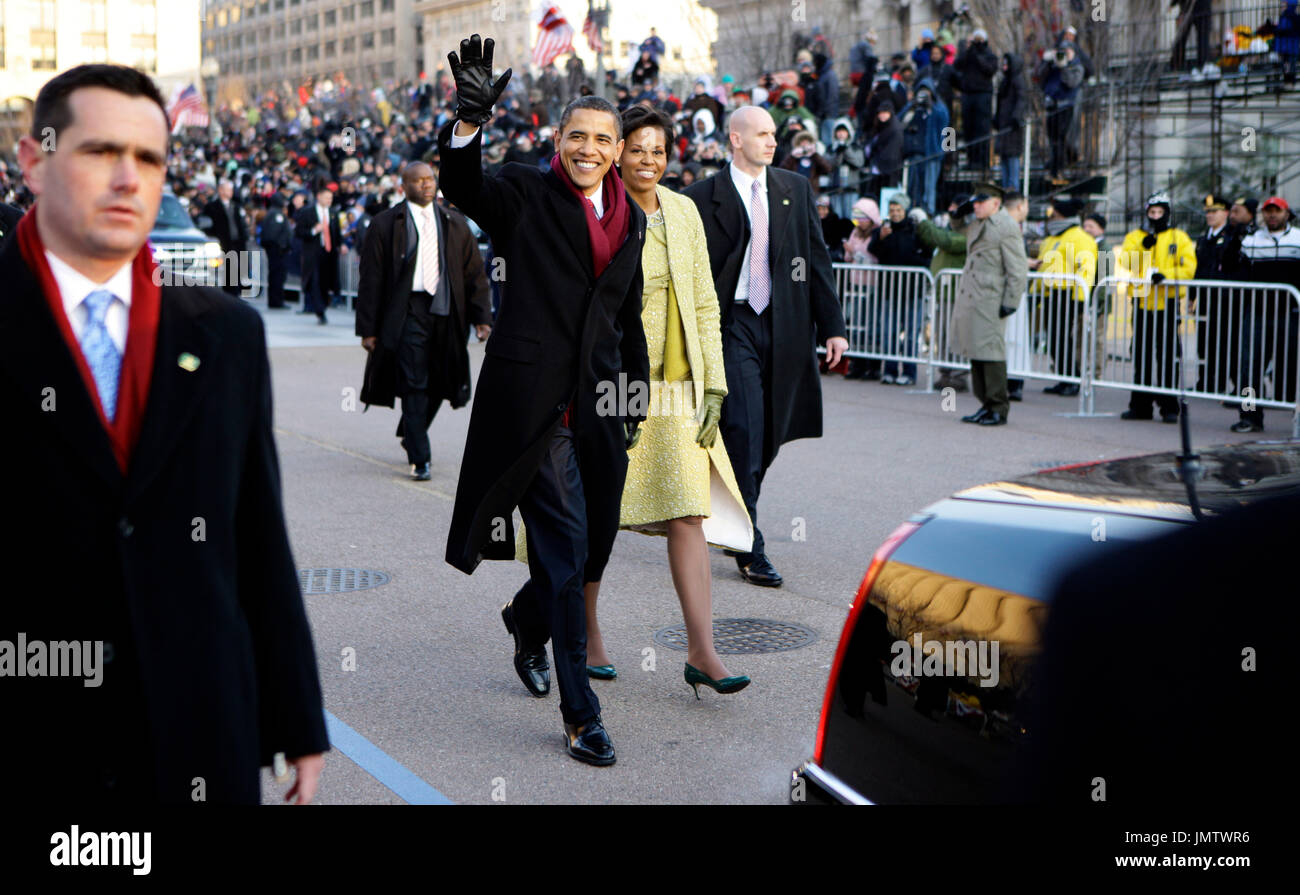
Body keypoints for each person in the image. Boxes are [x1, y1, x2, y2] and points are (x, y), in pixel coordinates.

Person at [1, 63, 327, 803]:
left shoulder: (225, 334)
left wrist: (296, 715)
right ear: (34, 160)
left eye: (148, 158)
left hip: (196, 734)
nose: (128, 178)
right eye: (99, 152)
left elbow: (257, 534)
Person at [439, 36, 649, 767]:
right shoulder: (527, 192)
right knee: (563, 557)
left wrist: (634, 401)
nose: (588, 149)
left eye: (601, 139)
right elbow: (466, 189)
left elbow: (627, 318)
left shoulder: (635, 219)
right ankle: (580, 714)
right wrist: (468, 124)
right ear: (557, 141)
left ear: (618, 150)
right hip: (534, 413)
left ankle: (525, 625)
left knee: (588, 553)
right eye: (576, 137)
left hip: (600, 413)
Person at [582, 105, 754, 696]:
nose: (648, 161)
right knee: (596, 516)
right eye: (637, 149)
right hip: (616, 381)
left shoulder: (683, 212)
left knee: (689, 512)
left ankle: (703, 652)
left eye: (658, 151)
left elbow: (706, 302)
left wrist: (715, 384)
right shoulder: (601, 209)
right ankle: (585, 632)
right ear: (616, 153)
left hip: (678, 384)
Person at [685, 106, 848, 588]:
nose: (772, 141)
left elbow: (817, 259)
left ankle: (729, 504)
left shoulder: (793, 189)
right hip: (732, 324)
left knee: (771, 432)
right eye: (762, 134)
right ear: (735, 139)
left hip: (785, 325)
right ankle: (749, 545)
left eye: (774, 134)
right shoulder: (701, 197)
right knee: (745, 428)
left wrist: (833, 327)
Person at [355, 161, 493, 480]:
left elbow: (475, 275)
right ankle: (421, 457)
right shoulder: (386, 224)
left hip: (445, 311)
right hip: (405, 312)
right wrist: (368, 329)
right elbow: (370, 279)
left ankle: (410, 428)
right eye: (417, 181)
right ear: (404, 186)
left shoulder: (455, 223)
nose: (426, 185)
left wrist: (482, 317)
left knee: (443, 380)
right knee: (414, 382)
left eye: (430, 179)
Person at [949, 183, 1028, 425]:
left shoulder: (1005, 227)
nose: (976, 206)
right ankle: (985, 403)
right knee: (976, 352)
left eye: (980, 202)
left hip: (991, 299)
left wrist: (1010, 301)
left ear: (995, 203)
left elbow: (1018, 268)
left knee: (991, 354)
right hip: (974, 296)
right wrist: (956, 215)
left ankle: (998, 407)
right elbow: (959, 231)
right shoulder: (979, 223)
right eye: (974, 202)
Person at [1115, 191, 1197, 423]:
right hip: (1142, 303)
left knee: (1167, 356)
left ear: (1167, 214)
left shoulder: (1178, 237)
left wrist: (1167, 275)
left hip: (1167, 304)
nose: (1156, 216)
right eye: (1152, 212)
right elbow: (1126, 261)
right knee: (1141, 355)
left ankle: (1169, 406)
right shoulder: (1135, 236)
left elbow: (1188, 267)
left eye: (1160, 212)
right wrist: (1143, 246)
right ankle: (1140, 406)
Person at [1234, 196, 1300, 432]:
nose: (1272, 215)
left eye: (1277, 211)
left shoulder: (1298, 239)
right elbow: (1239, 270)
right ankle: (1249, 416)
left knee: (1294, 365)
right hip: (1258, 313)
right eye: (1268, 211)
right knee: (1249, 366)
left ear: (1287, 213)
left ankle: (1295, 415)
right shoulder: (1251, 240)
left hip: (1291, 313)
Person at [1030, 197, 1098, 396]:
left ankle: (1072, 380)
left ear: (1063, 215)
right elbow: (1043, 268)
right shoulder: (1052, 238)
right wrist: (1035, 292)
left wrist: (1079, 298)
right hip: (1050, 294)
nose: (1051, 217)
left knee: (1061, 339)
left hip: (1067, 294)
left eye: (1055, 214)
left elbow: (1086, 270)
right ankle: (1064, 378)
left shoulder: (1080, 238)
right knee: (1053, 339)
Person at [869, 194, 930, 385]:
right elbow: (874, 250)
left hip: (912, 289)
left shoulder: (915, 230)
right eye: (892, 210)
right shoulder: (883, 230)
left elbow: (926, 256)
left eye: (898, 210)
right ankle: (890, 370)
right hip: (890, 289)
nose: (895, 214)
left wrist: (913, 262)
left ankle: (910, 373)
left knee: (911, 333)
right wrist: (880, 238)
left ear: (905, 211)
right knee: (889, 331)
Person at [1192, 193, 1249, 395]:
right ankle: (1207, 381)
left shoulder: (1231, 236)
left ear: (1225, 213)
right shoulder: (1203, 238)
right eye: (1207, 212)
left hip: (1226, 299)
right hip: (1206, 298)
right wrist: (1192, 296)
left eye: (1214, 211)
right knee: (1205, 342)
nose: (1210, 215)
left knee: (1228, 342)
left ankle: (1234, 384)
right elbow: (1197, 269)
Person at [917, 194, 971, 391]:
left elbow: (946, 241)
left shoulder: (969, 232)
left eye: (954, 207)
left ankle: (958, 375)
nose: (950, 210)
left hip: (958, 292)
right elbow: (936, 239)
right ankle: (946, 373)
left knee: (956, 336)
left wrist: (924, 222)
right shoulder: (953, 229)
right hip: (944, 292)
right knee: (943, 336)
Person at [294, 184, 343, 324]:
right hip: (313, 252)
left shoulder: (333, 212)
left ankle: (323, 305)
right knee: (314, 281)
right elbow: (298, 232)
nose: (329, 200)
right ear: (318, 197)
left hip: (329, 253)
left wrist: (341, 245)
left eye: (331, 198)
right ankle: (319, 310)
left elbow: (337, 232)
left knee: (325, 282)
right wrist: (314, 231)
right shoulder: (307, 212)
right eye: (327, 197)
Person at [1037, 44, 1084, 184]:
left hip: (1065, 106)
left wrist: (1064, 67)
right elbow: (1040, 79)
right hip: (1051, 105)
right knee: (1052, 139)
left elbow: (1071, 83)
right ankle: (1054, 168)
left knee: (1060, 138)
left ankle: (1059, 169)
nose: (1064, 54)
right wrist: (1047, 62)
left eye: (1067, 51)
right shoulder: (1053, 66)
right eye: (1062, 52)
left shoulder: (1076, 67)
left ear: (1073, 52)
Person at [899, 81, 948, 214]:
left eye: (927, 92)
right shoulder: (914, 107)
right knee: (913, 186)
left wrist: (946, 152)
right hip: (916, 152)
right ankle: (912, 211)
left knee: (929, 187)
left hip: (933, 154)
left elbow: (946, 124)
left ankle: (928, 213)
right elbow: (899, 120)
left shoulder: (939, 108)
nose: (924, 95)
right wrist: (912, 105)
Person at [954, 29, 998, 172]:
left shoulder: (989, 55)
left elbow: (989, 69)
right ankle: (971, 160)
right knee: (969, 129)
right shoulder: (968, 54)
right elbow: (958, 64)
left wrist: (978, 55)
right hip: (968, 94)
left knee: (982, 129)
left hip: (983, 95)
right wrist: (968, 50)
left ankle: (983, 161)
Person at [201, 179, 250, 297]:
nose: (231, 192)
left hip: (237, 242)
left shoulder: (236, 207)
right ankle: (227, 294)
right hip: (222, 243)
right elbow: (207, 225)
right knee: (225, 269)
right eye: (228, 189)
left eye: (231, 190)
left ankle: (235, 294)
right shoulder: (212, 207)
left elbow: (242, 224)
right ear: (221, 190)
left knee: (237, 268)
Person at [994, 54, 1028, 191]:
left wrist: (1016, 116)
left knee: (1012, 158)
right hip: (1004, 124)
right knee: (1004, 158)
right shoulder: (1005, 81)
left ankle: (1013, 189)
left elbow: (1022, 99)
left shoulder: (1017, 81)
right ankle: (1005, 188)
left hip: (1012, 126)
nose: (1004, 67)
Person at [259, 193, 292, 308]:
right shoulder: (276, 214)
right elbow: (273, 234)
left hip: (276, 250)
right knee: (277, 275)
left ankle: (276, 300)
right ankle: (276, 301)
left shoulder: (273, 213)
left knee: (277, 275)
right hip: (277, 250)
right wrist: (281, 245)